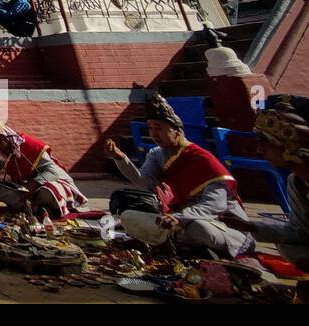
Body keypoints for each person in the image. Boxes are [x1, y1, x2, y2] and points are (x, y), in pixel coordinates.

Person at [106, 93, 253, 259]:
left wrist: (179, 218)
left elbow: (214, 206)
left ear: (177, 131)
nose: (154, 134)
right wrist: (119, 158)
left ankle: (173, 243)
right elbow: (143, 181)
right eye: (150, 128)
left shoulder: (202, 159)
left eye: (159, 128)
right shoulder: (156, 155)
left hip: (218, 223)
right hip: (177, 220)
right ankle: (174, 244)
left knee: (197, 228)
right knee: (129, 216)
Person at [219, 95, 309, 270]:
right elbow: (300, 232)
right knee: (288, 245)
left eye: (265, 144)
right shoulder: (296, 182)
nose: (260, 150)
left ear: (290, 144)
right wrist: (249, 226)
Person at [0, 115, 87, 218]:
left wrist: (33, 184)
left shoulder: (30, 145)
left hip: (51, 182)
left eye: (0, 140)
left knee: (48, 192)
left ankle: (44, 208)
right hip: (25, 191)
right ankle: (36, 209)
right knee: (0, 190)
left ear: (6, 135)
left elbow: (52, 171)